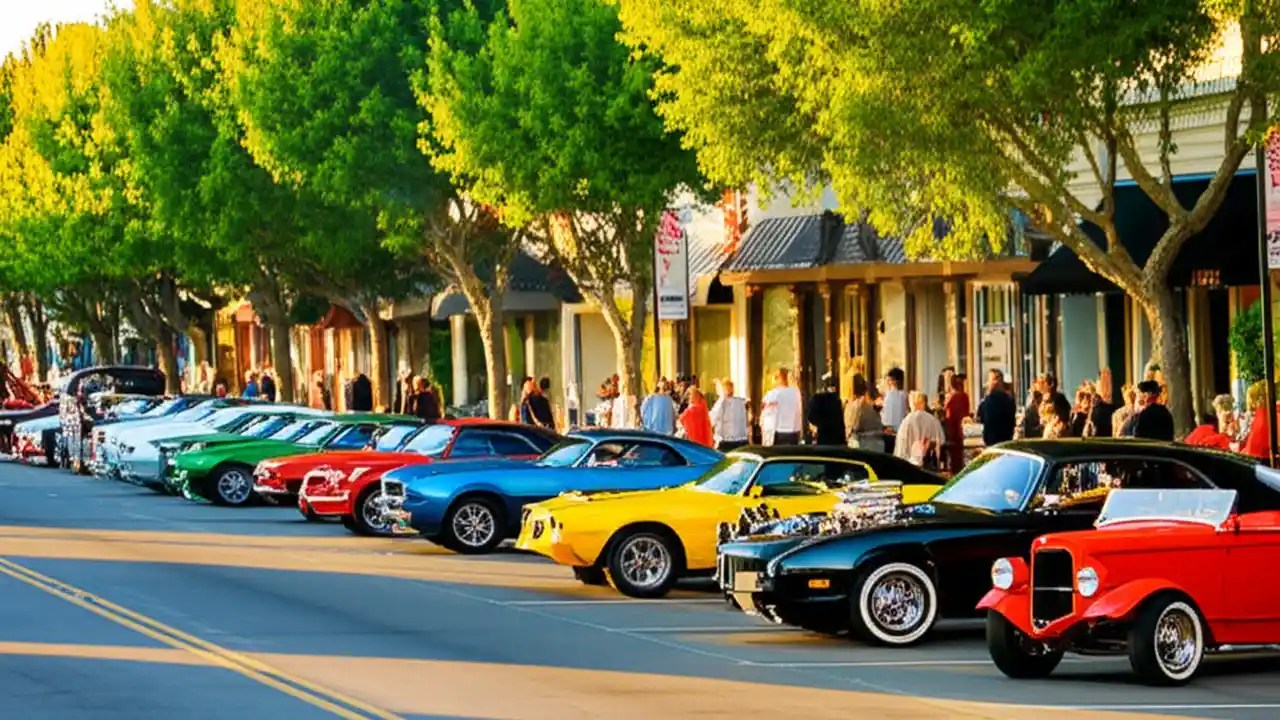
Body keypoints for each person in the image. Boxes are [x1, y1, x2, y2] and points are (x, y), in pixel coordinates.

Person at [894, 391, 945, 468]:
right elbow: (941, 440)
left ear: (912, 403)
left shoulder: (907, 421)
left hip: (910, 462)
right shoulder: (932, 420)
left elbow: (901, 444)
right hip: (927, 462)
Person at [761, 367, 803, 445]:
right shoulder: (796, 393)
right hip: (794, 432)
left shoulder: (773, 394)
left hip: (777, 432)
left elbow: (765, 411)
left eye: (775, 378)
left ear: (779, 379)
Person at [976, 369, 1016, 447]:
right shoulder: (1009, 400)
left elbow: (980, 418)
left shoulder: (989, 400)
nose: (988, 383)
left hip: (992, 442)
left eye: (989, 380)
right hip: (1006, 441)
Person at [845, 374, 884, 452]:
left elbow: (851, 427)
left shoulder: (849, 406)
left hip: (855, 443)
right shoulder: (867, 408)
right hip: (870, 446)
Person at [709, 378, 749, 452]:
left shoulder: (721, 403)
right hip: (741, 441)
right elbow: (746, 422)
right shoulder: (740, 402)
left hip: (727, 443)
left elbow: (711, 421)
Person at [806, 373, 846, 446]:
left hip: (824, 438)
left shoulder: (818, 399)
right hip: (837, 439)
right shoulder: (836, 400)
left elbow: (811, 417)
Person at [943, 374, 970, 472]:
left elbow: (949, 416)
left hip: (954, 432)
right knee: (959, 458)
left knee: (955, 460)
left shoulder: (954, 398)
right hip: (961, 431)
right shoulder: (964, 396)